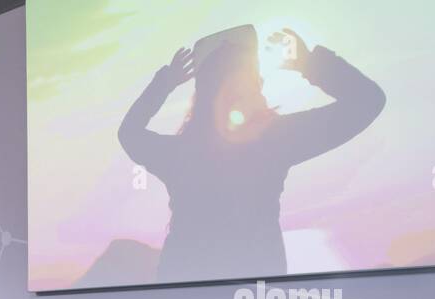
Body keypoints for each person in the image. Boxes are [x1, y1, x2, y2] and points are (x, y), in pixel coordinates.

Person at [118, 25, 384, 283]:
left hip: (185, 298)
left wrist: (164, 83)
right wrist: (310, 64)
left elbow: (128, 134)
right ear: (255, 84)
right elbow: (368, 101)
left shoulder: (179, 154)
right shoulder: (274, 140)